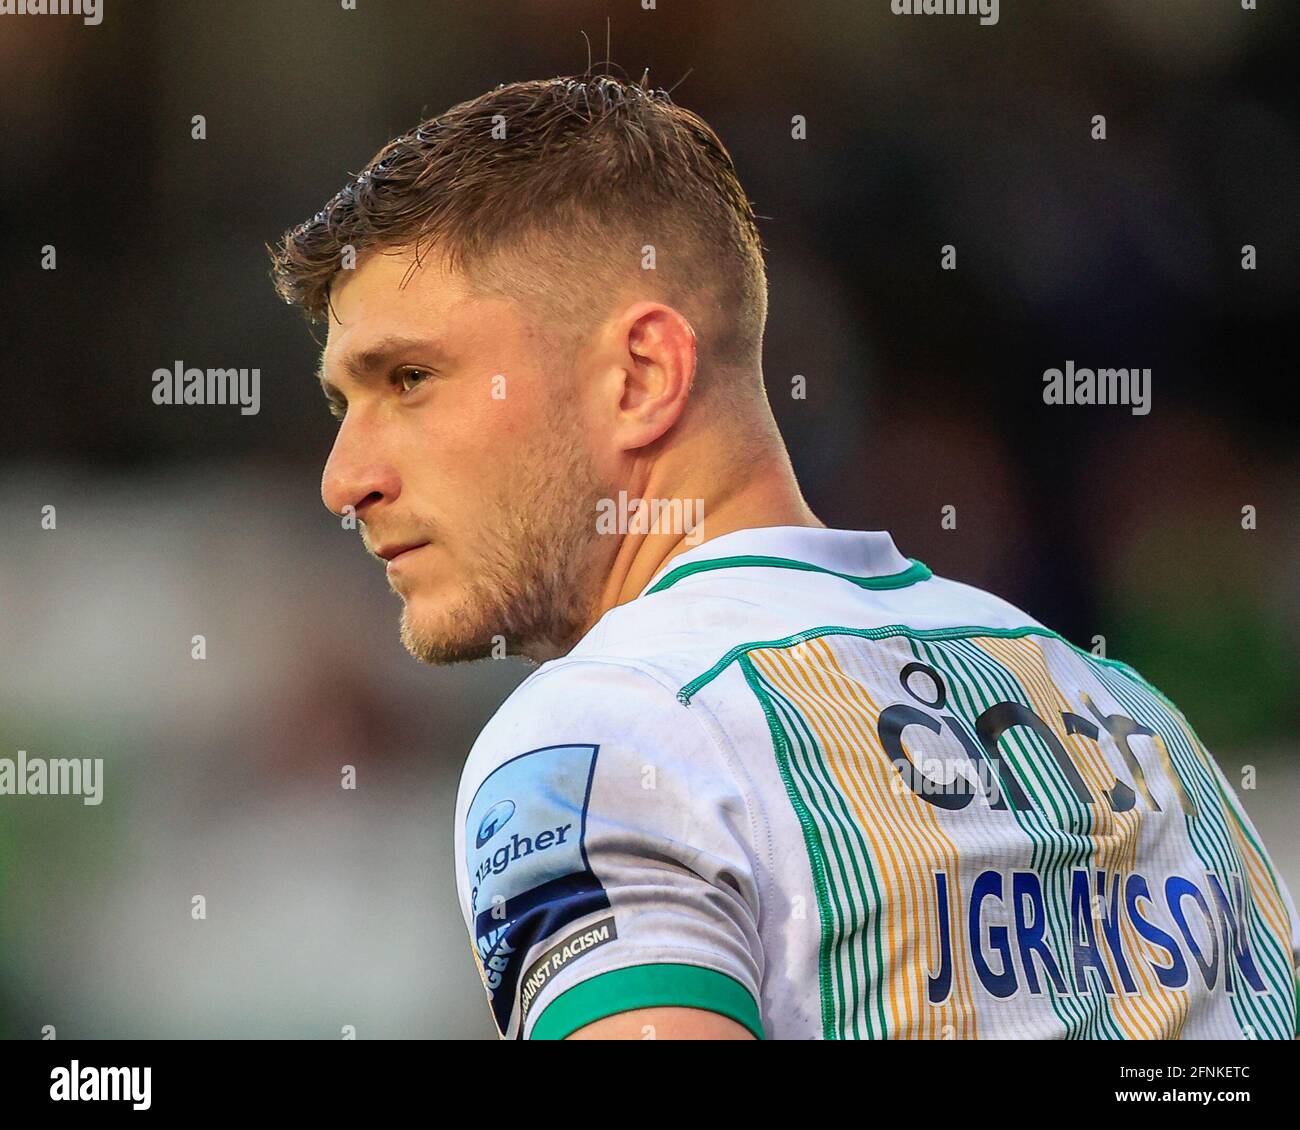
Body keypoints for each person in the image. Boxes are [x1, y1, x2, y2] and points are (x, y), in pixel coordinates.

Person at [270, 74, 1298, 1040]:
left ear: (639, 377)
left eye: (408, 376)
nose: (343, 477)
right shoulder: (1134, 719)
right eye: (339, 402)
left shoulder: (607, 733)